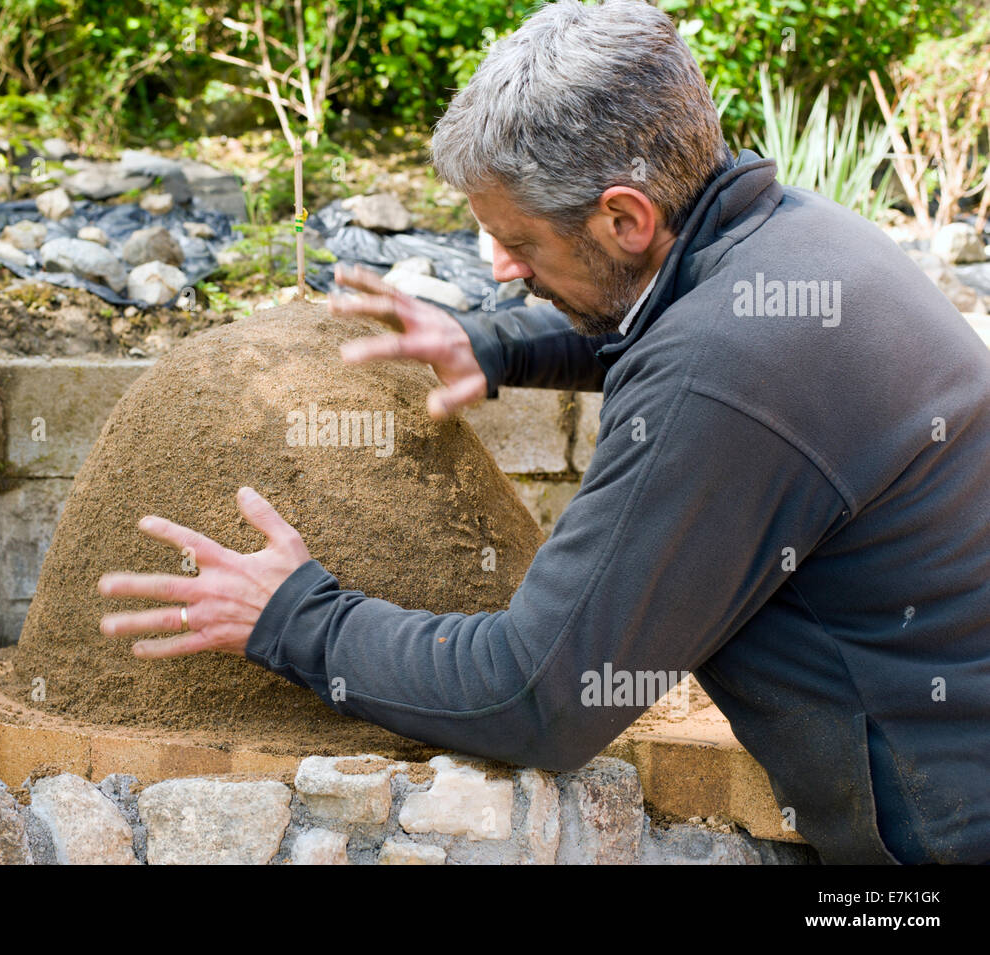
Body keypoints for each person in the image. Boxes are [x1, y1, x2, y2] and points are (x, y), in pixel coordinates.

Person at [96, 0, 990, 864]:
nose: (500, 266)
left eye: (518, 240)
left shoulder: (723, 369)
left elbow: (539, 696)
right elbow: (666, 317)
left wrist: (292, 617)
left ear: (625, 217)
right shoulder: (798, 247)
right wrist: (493, 346)